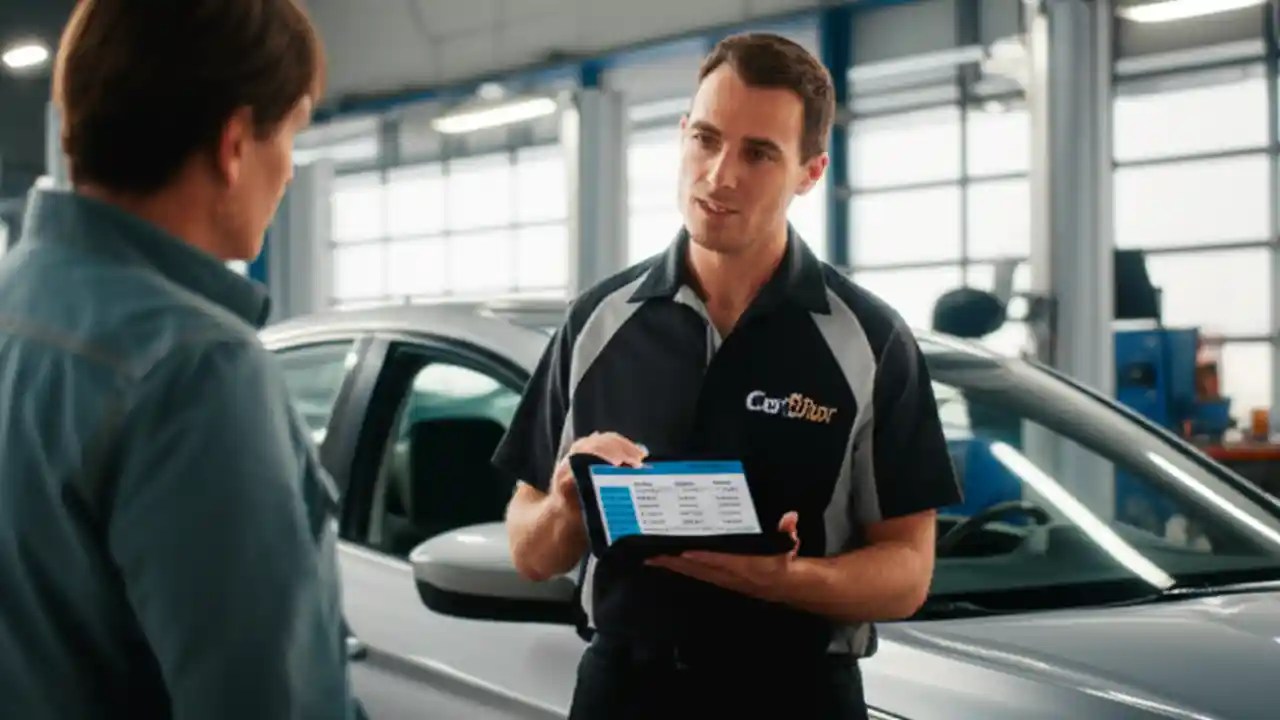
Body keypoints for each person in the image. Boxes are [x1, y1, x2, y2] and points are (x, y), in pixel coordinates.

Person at [496, 32, 962, 719]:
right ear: (683, 135)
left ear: (810, 172)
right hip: (623, 688)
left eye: (759, 153)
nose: (720, 174)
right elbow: (529, 550)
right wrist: (566, 502)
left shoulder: (870, 340)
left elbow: (906, 573)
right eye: (706, 139)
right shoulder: (596, 322)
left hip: (796, 692)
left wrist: (785, 580)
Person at [0, 2, 360, 718]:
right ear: (234, 145)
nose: (287, 174)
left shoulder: (16, 306)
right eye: (287, 136)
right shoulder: (196, 368)